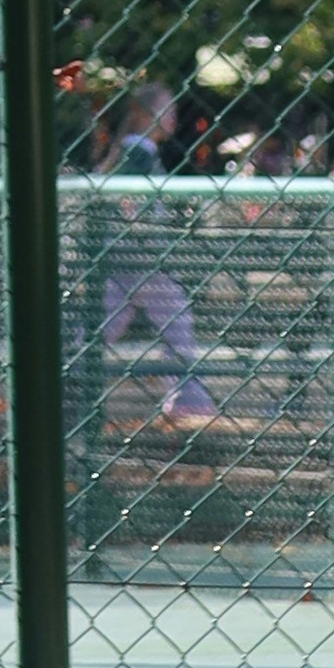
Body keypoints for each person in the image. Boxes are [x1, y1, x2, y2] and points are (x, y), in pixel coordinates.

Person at [100, 78, 214, 427]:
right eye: (166, 108)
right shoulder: (137, 154)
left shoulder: (139, 153)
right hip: (141, 259)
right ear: (141, 112)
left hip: (130, 259)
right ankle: (186, 397)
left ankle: (66, 378)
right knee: (176, 318)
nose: (172, 116)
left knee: (102, 326)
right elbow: (131, 206)